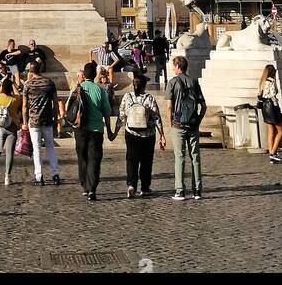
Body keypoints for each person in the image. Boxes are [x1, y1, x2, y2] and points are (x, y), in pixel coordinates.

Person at [71, 61, 114, 202]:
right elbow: (107, 112)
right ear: (95, 75)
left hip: (80, 129)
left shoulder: (77, 89)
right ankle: (92, 189)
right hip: (96, 129)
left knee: (82, 157)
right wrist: (109, 130)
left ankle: (84, 185)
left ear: (84, 74)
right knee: (94, 159)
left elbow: (69, 108)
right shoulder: (100, 90)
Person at [119, 70, 165, 198]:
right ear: (144, 86)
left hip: (131, 133)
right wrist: (162, 135)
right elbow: (157, 118)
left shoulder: (127, 97)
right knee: (146, 161)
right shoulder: (149, 98)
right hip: (148, 134)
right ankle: (145, 187)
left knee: (131, 160)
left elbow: (121, 115)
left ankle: (131, 185)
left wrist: (115, 131)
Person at [167, 54, 205, 201]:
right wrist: (198, 120)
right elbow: (204, 105)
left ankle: (180, 190)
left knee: (179, 157)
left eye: (173, 65)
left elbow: (169, 106)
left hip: (178, 124)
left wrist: (170, 123)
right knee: (195, 157)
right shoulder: (194, 81)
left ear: (177, 67)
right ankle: (197, 190)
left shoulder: (172, 82)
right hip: (193, 124)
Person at [22, 61, 60, 186]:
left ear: (31, 71)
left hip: (34, 120)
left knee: (36, 148)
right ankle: (55, 174)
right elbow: (55, 103)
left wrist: (24, 121)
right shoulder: (49, 83)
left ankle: (39, 176)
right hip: (48, 119)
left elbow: (24, 106)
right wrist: (56, 119)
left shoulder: (28, 85)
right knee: (50, 147)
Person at [0, 76, 22, 187]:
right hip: (12, 127)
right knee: (9, 153)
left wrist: (2, 86)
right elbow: (19, 95)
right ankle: (7, 176)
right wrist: (13, 85)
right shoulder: (14, 100)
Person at [257, 64, 282, 162]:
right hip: (272, 106)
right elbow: (273, 94)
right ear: (273, 72)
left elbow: (260, 95)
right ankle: (273, 152)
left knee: (271, 131)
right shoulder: (271, 81)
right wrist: (277, 105)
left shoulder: (262, 81)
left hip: (265, 107)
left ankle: (272, 153)